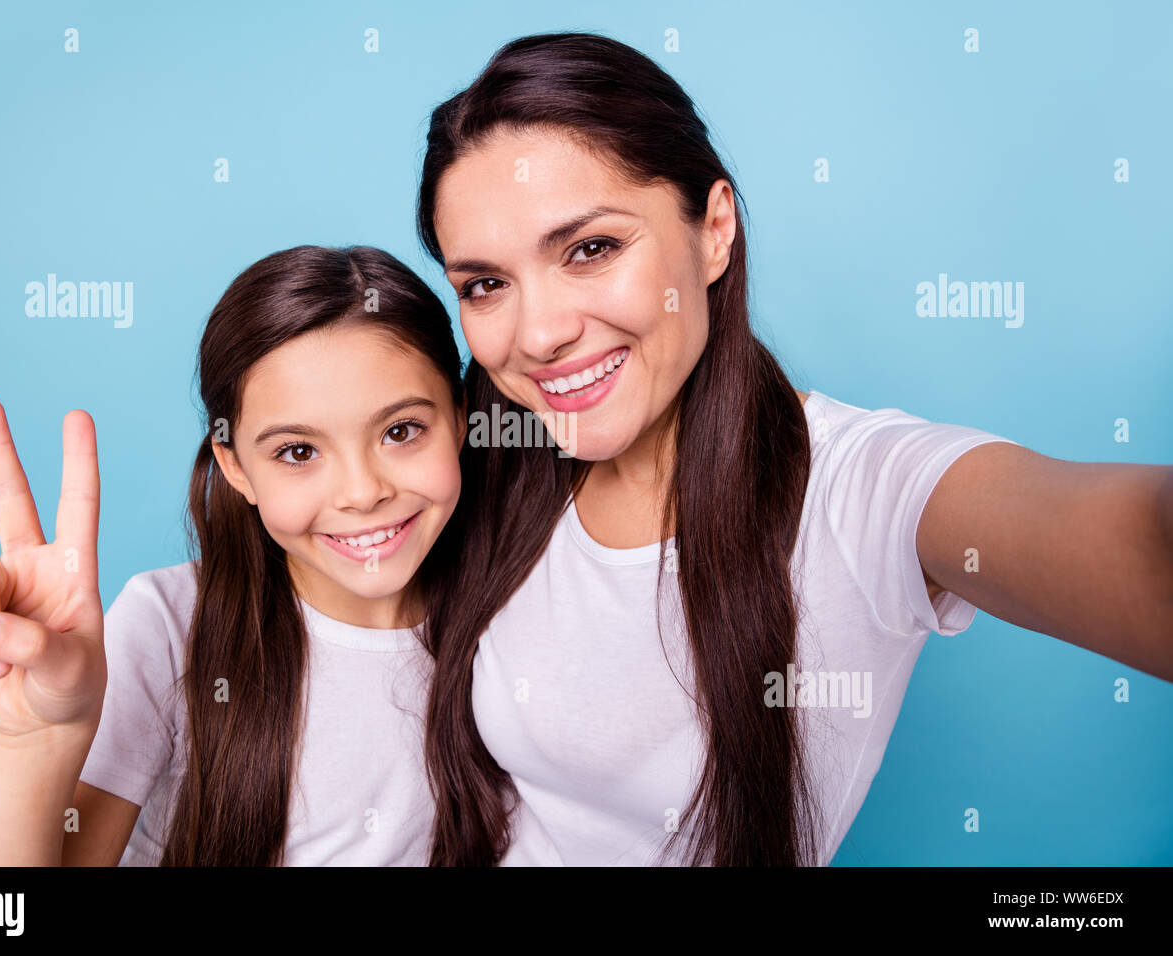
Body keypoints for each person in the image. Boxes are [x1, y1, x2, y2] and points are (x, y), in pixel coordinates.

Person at [415, 32, 1173, 866]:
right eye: (485, 285)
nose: (540, 334)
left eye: (591, 249)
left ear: (714, 230)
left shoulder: (858, 490)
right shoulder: (481, 459)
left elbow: (1137, 541)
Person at [0, 245, 467, 865]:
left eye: (400, 430)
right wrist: (30, 745)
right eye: (298, 452)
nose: (361, 492)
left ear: (460, 420)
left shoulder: (510, 614)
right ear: (236, 468)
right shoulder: (168, 625)